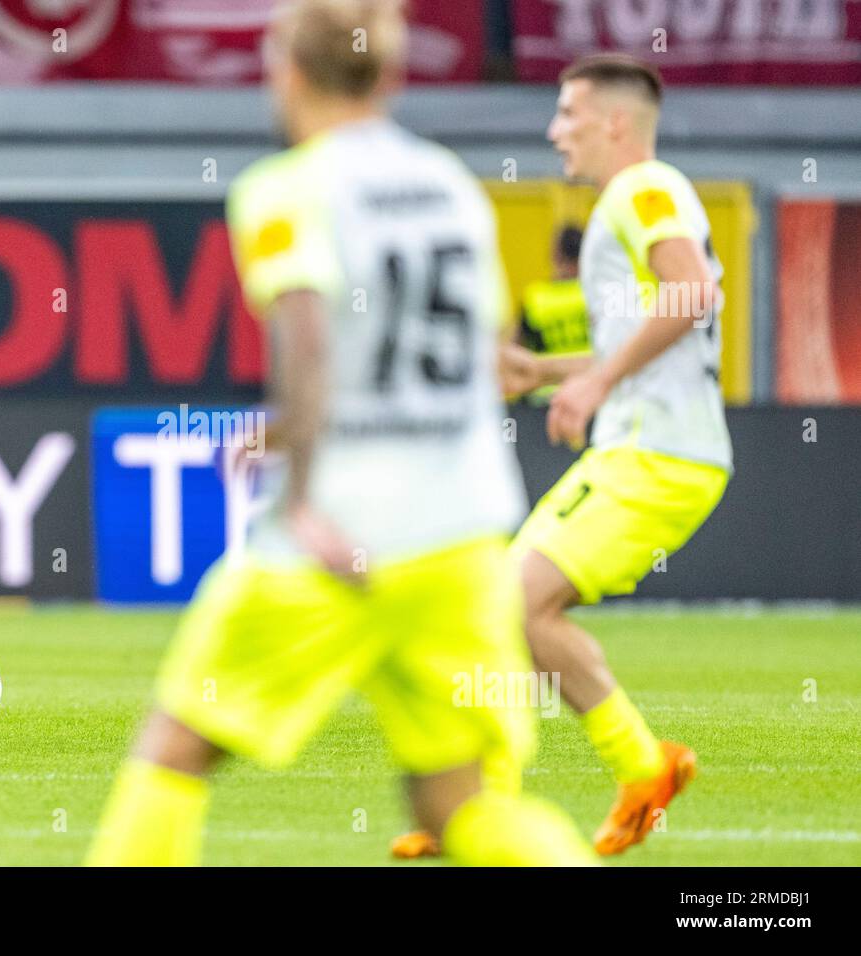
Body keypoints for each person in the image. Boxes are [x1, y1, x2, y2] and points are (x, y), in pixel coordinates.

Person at [84, 0, 593, 867]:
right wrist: (293, 431)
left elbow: (311, 334)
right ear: (390, 75)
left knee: (176, 751)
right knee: (460, 799)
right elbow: (464, 354)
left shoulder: (287, 187)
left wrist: (307, 495)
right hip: (461, 533)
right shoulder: (451, 185)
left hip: (340, 534)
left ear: (284, 69)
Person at [395, 53, 730, 858]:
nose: (554, 133)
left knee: (512, 606)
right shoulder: (641, 198)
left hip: (657, 454)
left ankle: (638, 766)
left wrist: (594, 384)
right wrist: (548, 373)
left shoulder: (640, 188)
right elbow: (652, 334)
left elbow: (691, 294)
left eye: (568, 115)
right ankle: (483, 814)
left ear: (615, 123)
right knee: (503, 614)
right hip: (648, 449)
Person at [515, 225, 591, 403]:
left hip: (544, 401)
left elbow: (515, 349)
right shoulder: (597, 296)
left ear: (556, 255)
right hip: (590, 395)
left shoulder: (537, 298)